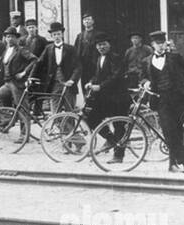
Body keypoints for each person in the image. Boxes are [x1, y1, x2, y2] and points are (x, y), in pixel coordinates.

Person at [145, 30, 184, 173]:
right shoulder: (147, 61)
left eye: (162, 43)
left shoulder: (175, 57)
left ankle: (172, 165)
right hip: (161, 100)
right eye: (157, 43)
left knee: (176, 132)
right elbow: (142, 76)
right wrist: (145, 82)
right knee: (169, 130)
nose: (160, 46)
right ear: (152, 45)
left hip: (178, 99)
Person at [83, 32, 131, 162]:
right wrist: (91, 82)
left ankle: (118, 156)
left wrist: (100, 86)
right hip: (105, 98)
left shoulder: (116, 57)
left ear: (109, 44)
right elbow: (98, 75)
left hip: (118, 98)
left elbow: (116, 77)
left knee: (119, 125)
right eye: (98, 45)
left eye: (103, 44)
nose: (101, 47)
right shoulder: (99, 58)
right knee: (91, 117)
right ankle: (110, 139)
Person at [0, 27, 39, 108]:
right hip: (7, 82)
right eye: (8, 37)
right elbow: (2, 59)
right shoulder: (7, 50)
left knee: (21, 108)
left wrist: (24, 73)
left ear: (16, 38)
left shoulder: (21, 50)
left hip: (17, 83)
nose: (10, 39)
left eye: (12, 37)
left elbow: (34, 60)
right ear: (5, 38)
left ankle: (25, 121)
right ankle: (8, 119)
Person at [35, 22, 79, 113]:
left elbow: (78, 67)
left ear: (62, 34)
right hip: (55, 84)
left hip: (68, 84)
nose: (57, 36)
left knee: (69, 112)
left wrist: (72, 80)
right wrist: (31, 76)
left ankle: (70, 128)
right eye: (54, 34)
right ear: (51, 36)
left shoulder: (71, 49)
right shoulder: (48, 48)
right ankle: (58, 127)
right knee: (55, 112)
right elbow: (39, 63)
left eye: (58, 34)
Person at [72, 14, 100, 100]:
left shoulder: (98, 34)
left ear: (93, 21)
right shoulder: (80, 36)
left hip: (95, 66)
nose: (87, 21)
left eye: (89, 19)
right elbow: (75, 51)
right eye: (85, 20)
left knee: (94, 87)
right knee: (85, 87)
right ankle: (86, 106)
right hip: (83, 67)